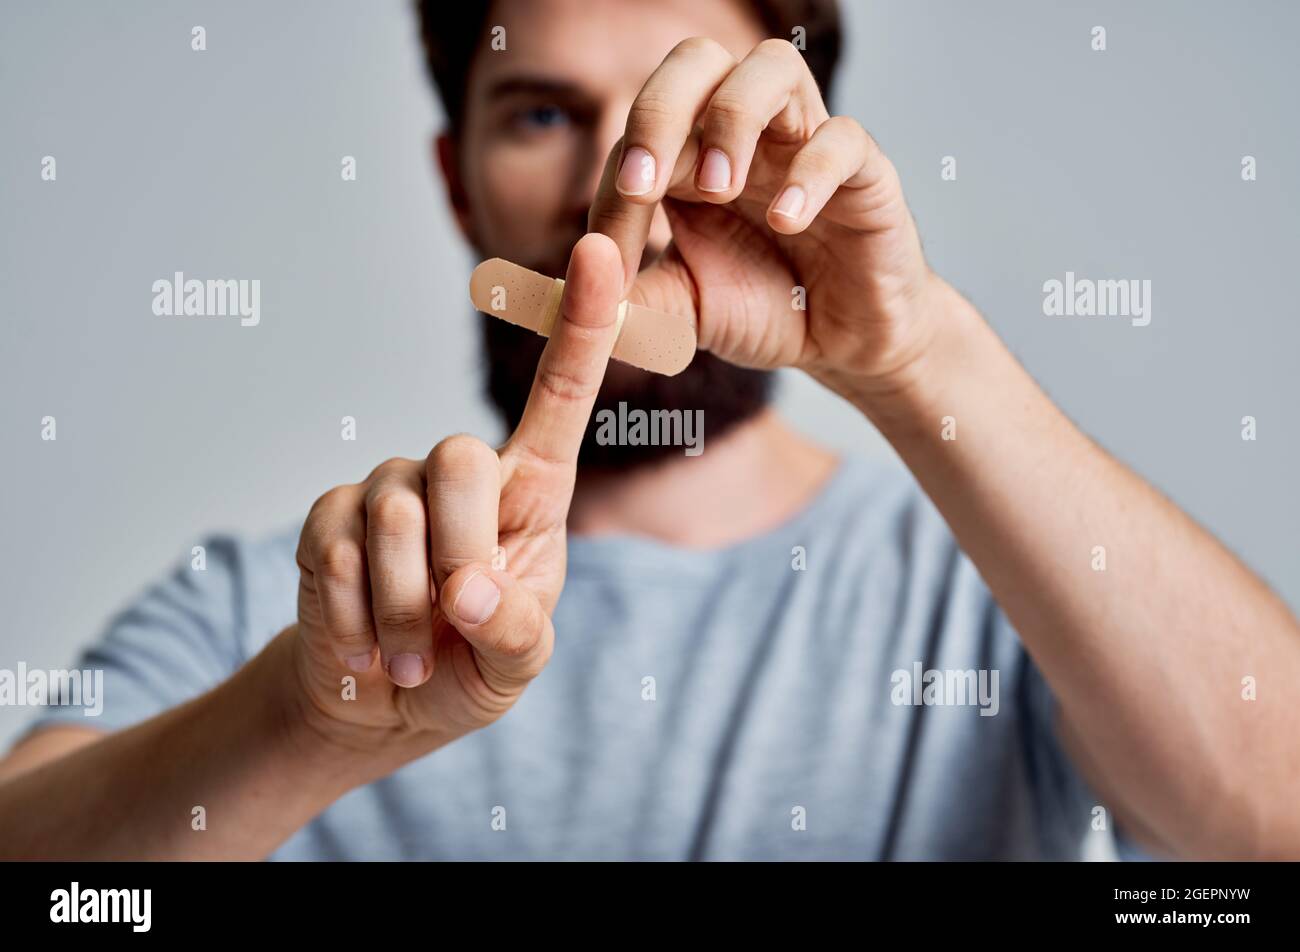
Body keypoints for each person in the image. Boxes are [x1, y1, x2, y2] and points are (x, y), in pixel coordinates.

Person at [2, 0, 1296, 861]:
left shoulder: (1005, 589)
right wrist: (301, 727)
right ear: (458, 183)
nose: (618, 199)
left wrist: (909, 350)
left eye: (691, 116)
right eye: (545, 114)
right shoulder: (280, 615)